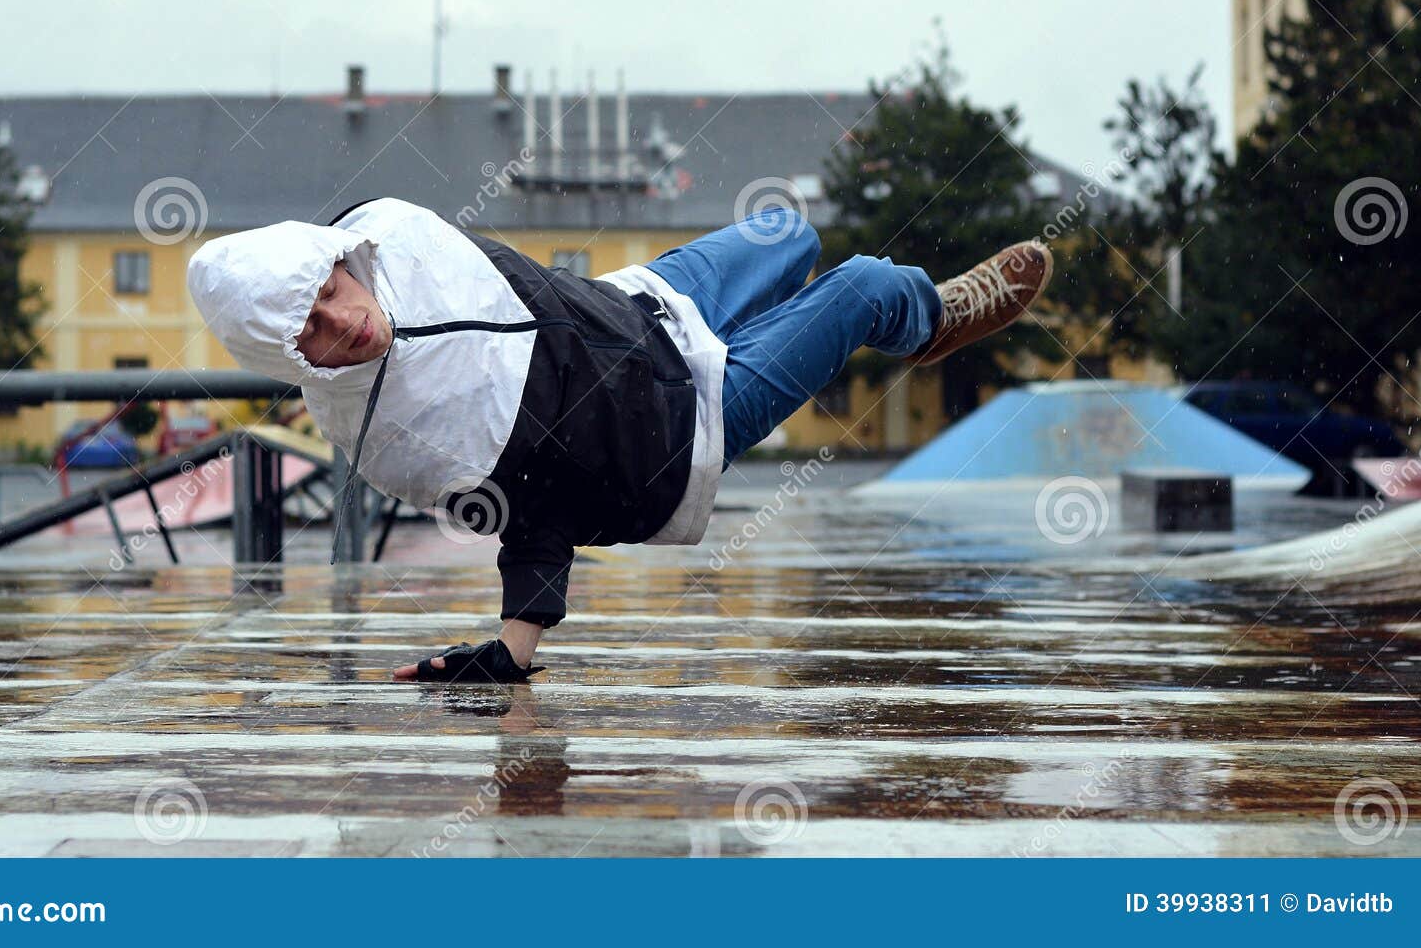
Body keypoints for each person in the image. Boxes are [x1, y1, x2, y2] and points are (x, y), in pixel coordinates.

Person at [186, 197, 1052, 683]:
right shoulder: (394, 433)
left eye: (331, 290)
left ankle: (905, 318)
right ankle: (931, 314)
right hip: (678, 427)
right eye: (314, 333)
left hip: (637, 308)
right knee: (862, 283)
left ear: (342, 259)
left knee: (792, 232)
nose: (346, 323)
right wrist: (513, 648)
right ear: (292, 358)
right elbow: (535, 500)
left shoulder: (405, 248)